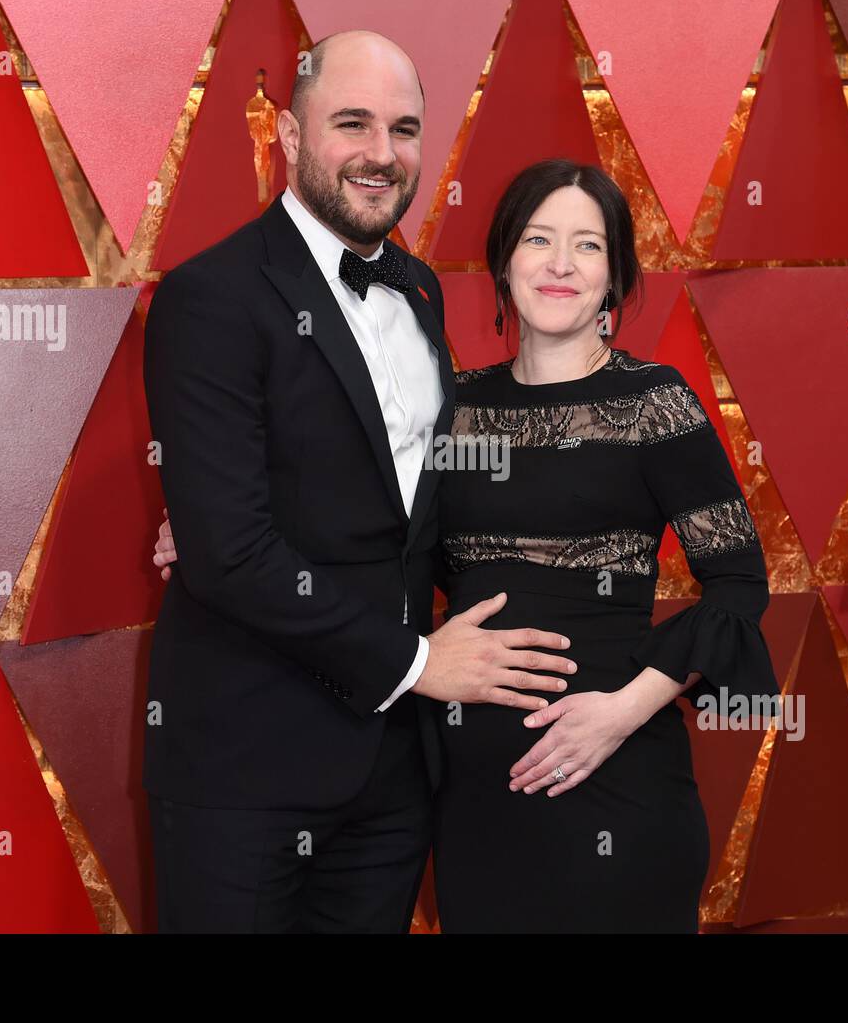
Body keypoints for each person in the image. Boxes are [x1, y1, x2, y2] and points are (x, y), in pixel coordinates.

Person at [154, 156, 779, 933]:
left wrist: (620, 713)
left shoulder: (654, 402)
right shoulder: (458, 408)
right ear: (503, 263)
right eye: (538, 239)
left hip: (614, 779)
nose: (559, 264)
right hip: (473, 806)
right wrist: (213, 521)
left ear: (615, 276)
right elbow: (377, 530)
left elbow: (739, 581)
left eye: (587, 246)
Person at [141, 30, 575, 934]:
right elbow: (232, 554)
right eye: (353, 124)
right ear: (291, 140)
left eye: (405, 128)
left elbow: (417, 502)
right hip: (246, 768)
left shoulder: (419, 289)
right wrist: (419, 661)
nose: (383, 153)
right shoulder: (210, 296)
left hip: (391, 773)